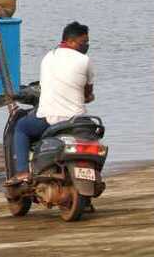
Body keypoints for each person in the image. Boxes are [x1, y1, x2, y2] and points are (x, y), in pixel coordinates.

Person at [8, 22, 95, 184]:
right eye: (83, 42)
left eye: (87, 42)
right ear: (69, 41)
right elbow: (87, 93)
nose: (86, 46)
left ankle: (22, 172)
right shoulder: (85, 60)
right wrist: (87, 97)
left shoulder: (48, 57)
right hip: (76, 119)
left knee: (21, 127)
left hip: (49, 119)